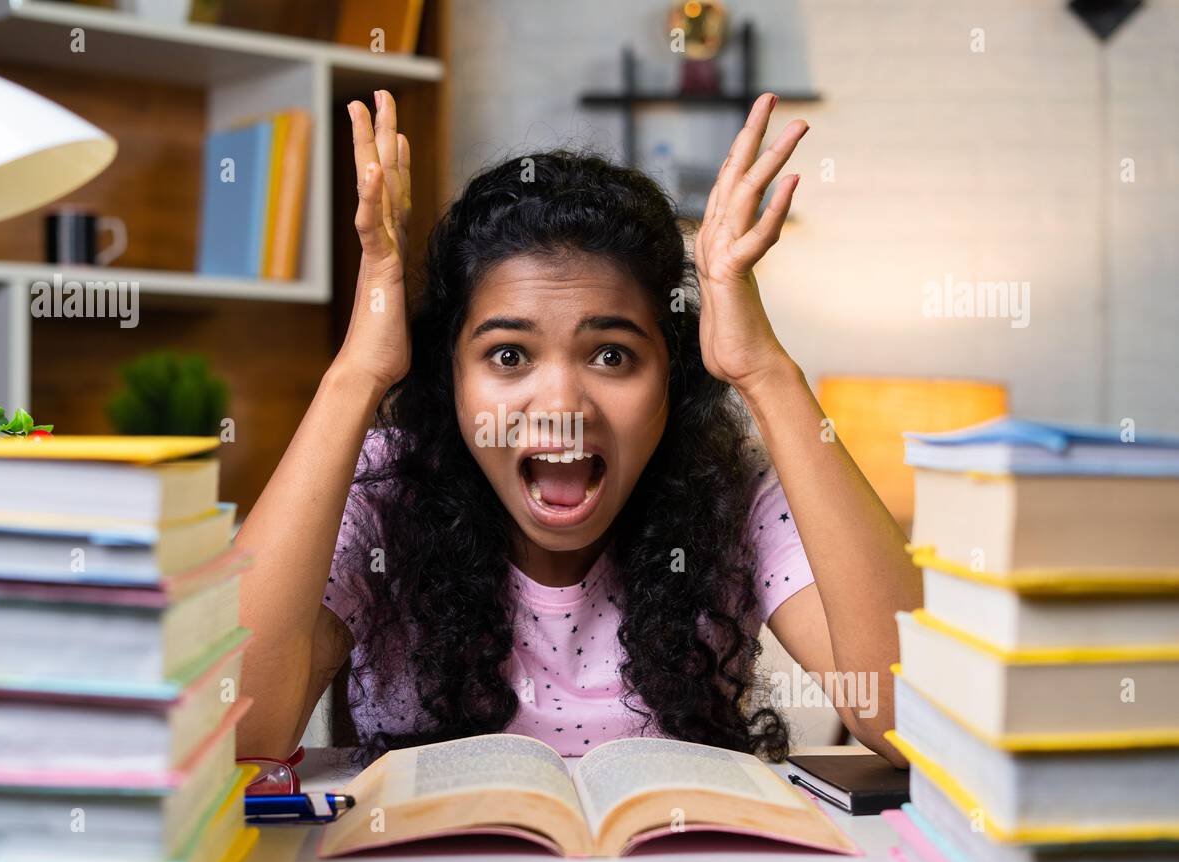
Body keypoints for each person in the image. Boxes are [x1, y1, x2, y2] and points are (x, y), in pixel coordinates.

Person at [235, 89, 919, 767]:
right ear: (453, 381)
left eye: (612, 355)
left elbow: (913, 722)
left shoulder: (731, 498)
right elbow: (243, 731)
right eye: (508, 356)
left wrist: (764, 370)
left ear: (670, 379)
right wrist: (358, 372)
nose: (562, 404)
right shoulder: (388, 486)